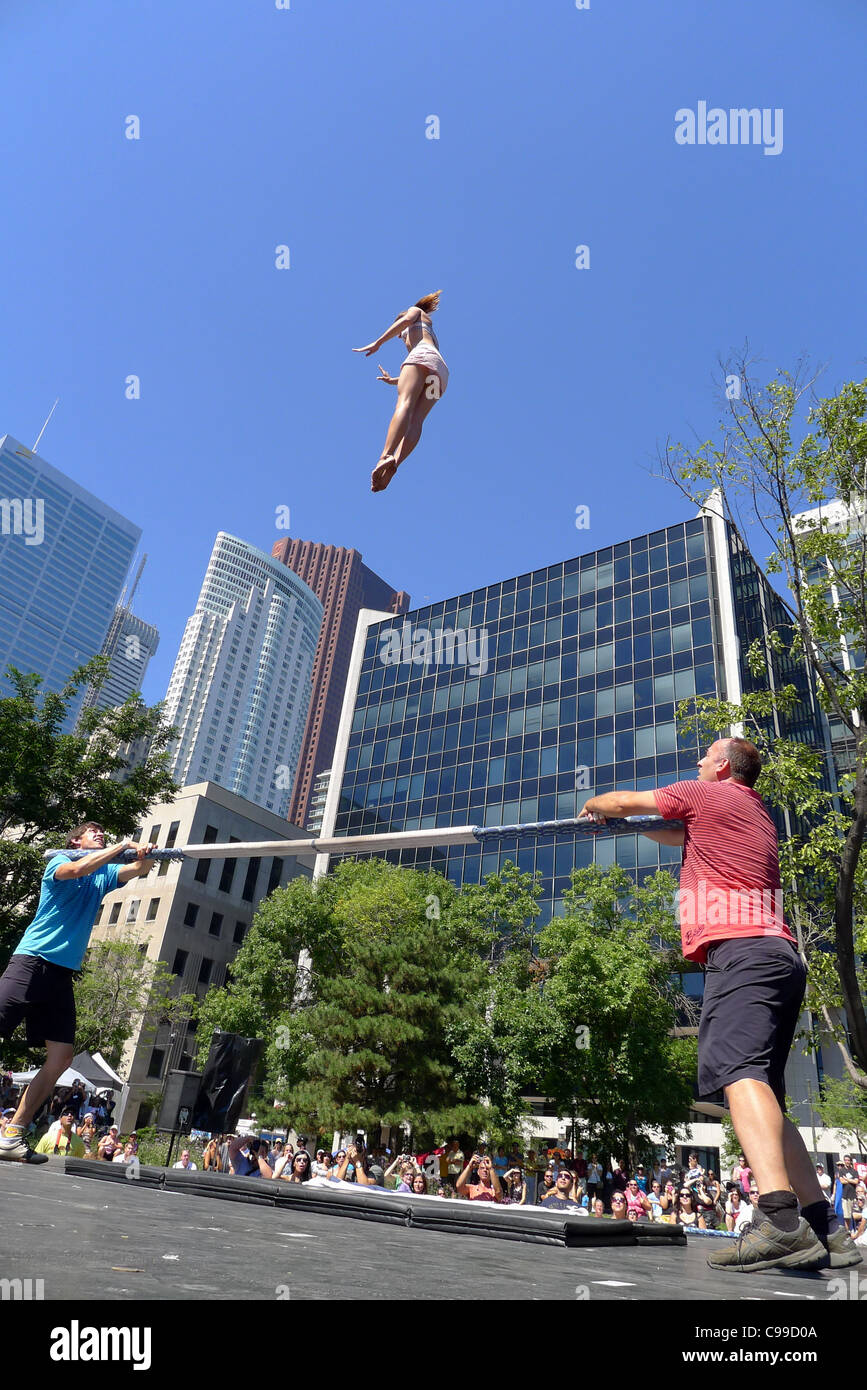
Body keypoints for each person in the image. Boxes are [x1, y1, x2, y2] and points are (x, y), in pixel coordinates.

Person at [580, 736, 861, 1273]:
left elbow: (621, 802)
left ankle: (780, 1222)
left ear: (725, 765)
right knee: (766, 1100)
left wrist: (596, 808)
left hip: (743, 954)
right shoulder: (752, 810)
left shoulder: (705, 795)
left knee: (739, 1075)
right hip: (780, 956)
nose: (698, 762)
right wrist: (632, 826)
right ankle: (828, 1230)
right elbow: (671, 833)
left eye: (706, 756)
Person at [0, 823, 155, 1165]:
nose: (100, 834)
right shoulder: (59, 863)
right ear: (75, 841)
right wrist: (121, 844)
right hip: (31, 963)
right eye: (94, 832)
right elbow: (81, 867)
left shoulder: (103, 874)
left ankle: (12, 1134)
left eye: (103, 832)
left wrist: (143, 857)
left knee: (61, 1058)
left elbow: (136, 869)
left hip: (60, 976)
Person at [353, 291, 448, 492]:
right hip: (440, 373)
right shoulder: (430, 335)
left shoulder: (414, 312)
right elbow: (424, 370)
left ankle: (386, 455)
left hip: (421, 357)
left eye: (400, 334)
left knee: (404, 403)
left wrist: (377, 342)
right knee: (417, 419)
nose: (400, 337)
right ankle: (395, 462)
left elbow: (406, 321)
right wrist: (394, 380)